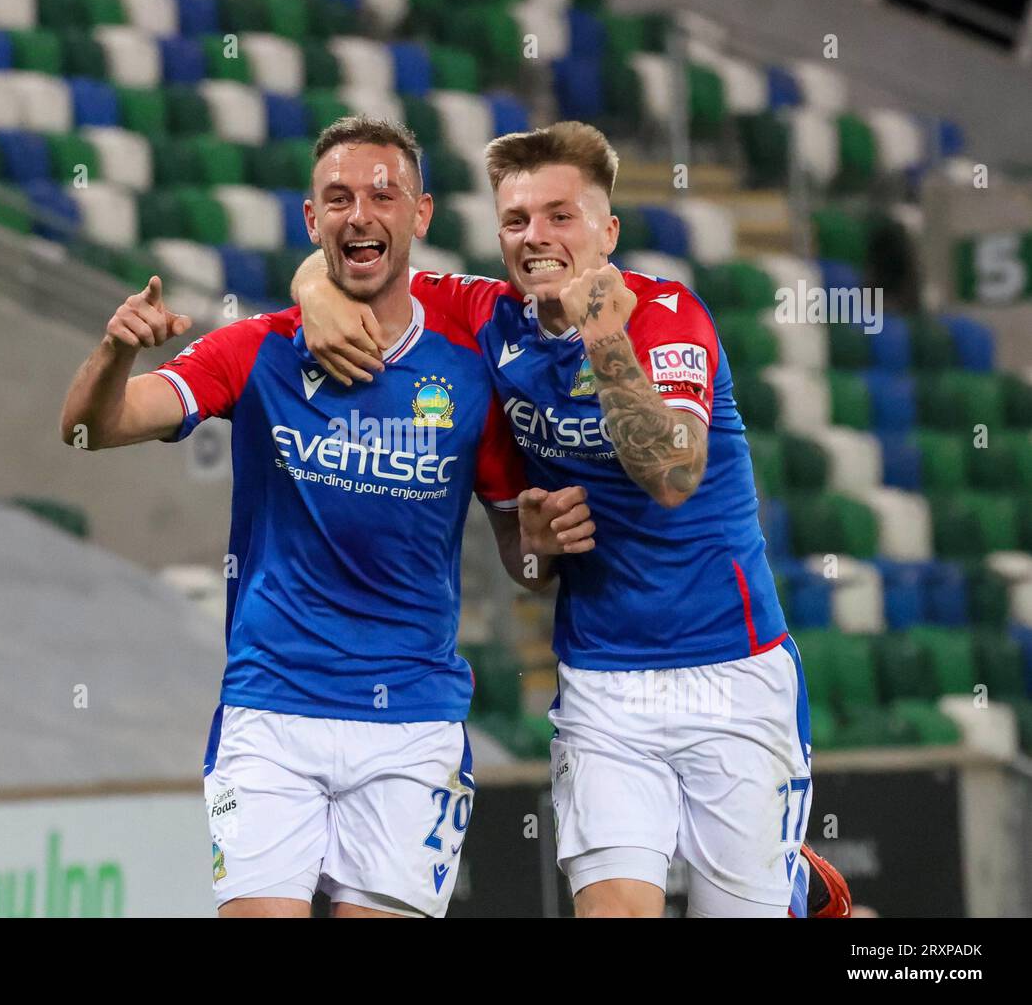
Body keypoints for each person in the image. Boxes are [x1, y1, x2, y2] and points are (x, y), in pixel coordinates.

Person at [58, 116, 595, 918]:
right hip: (274, 711)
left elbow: (522, 562)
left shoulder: (469, 364)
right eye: (336, 198)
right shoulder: (255, 349)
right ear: (312, 222)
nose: (359, 213)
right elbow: (88, 427)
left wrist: (542, 548)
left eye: (383, 194)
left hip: (411, 727)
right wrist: (114, 352)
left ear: (421, 214)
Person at [294, 120, 822, 918]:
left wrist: (602, 336)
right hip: (603, 682)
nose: (534, 236)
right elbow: (366, 257)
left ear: (607, 231)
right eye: (516, 220)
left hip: (734, 675)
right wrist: (313, 289)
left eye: (559, 215)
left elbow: (673, 473)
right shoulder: (488, 316)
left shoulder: (670, 315)